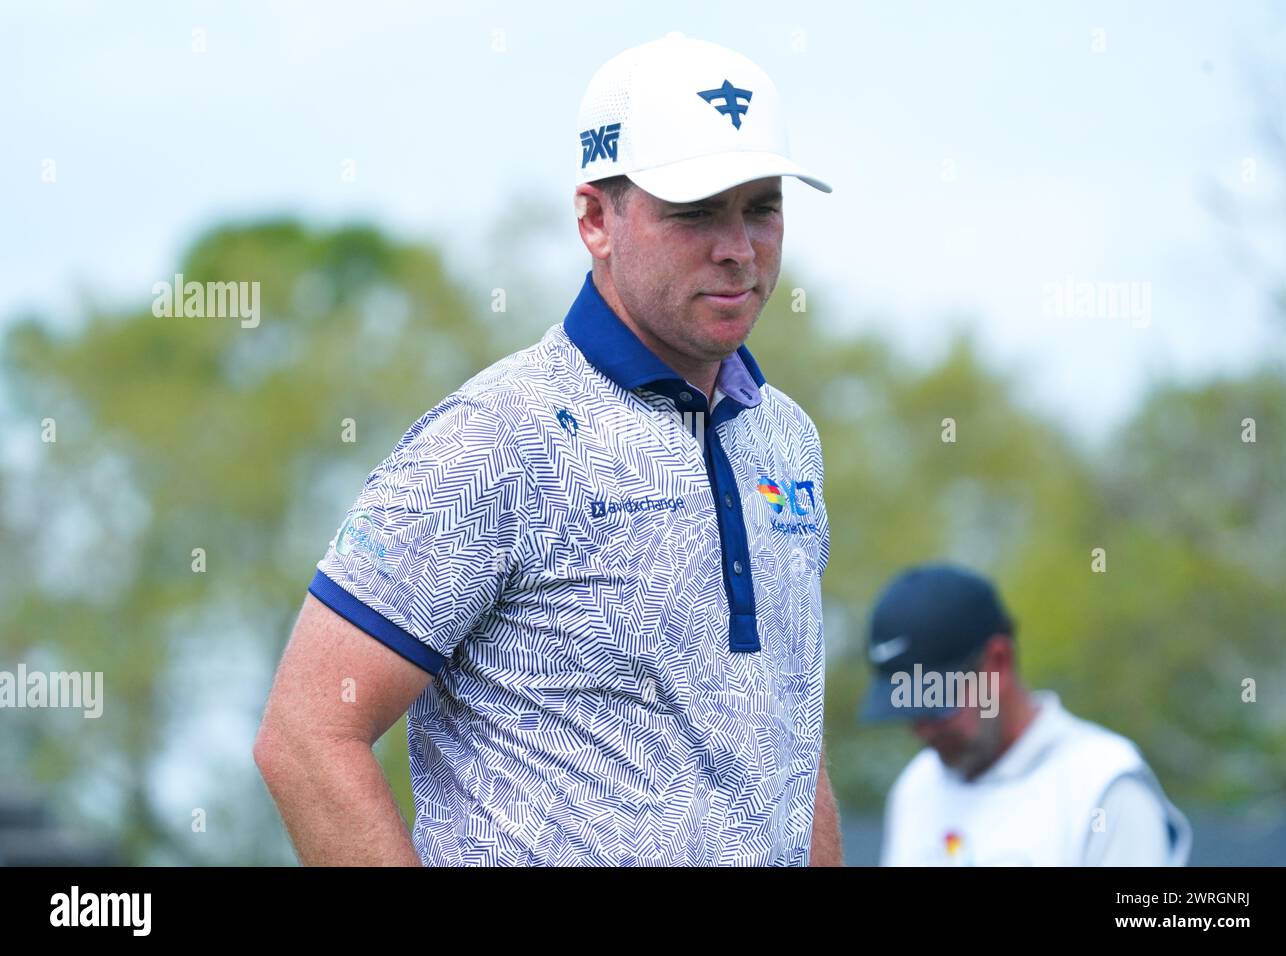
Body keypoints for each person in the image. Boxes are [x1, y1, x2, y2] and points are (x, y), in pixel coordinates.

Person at [254, 32, 840, 866]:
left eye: (761, 207)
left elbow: (790, 725)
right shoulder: (497, 435)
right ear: (597, 220)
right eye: (696, 211)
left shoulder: (788, 438)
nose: (738, 248)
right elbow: (307, 736)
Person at [861, 564, 1192, 866]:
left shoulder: (1103, 785)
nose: (923, 730)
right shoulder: (916, 789)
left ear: (998, 662)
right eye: (907, 709)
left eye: (935, 704)